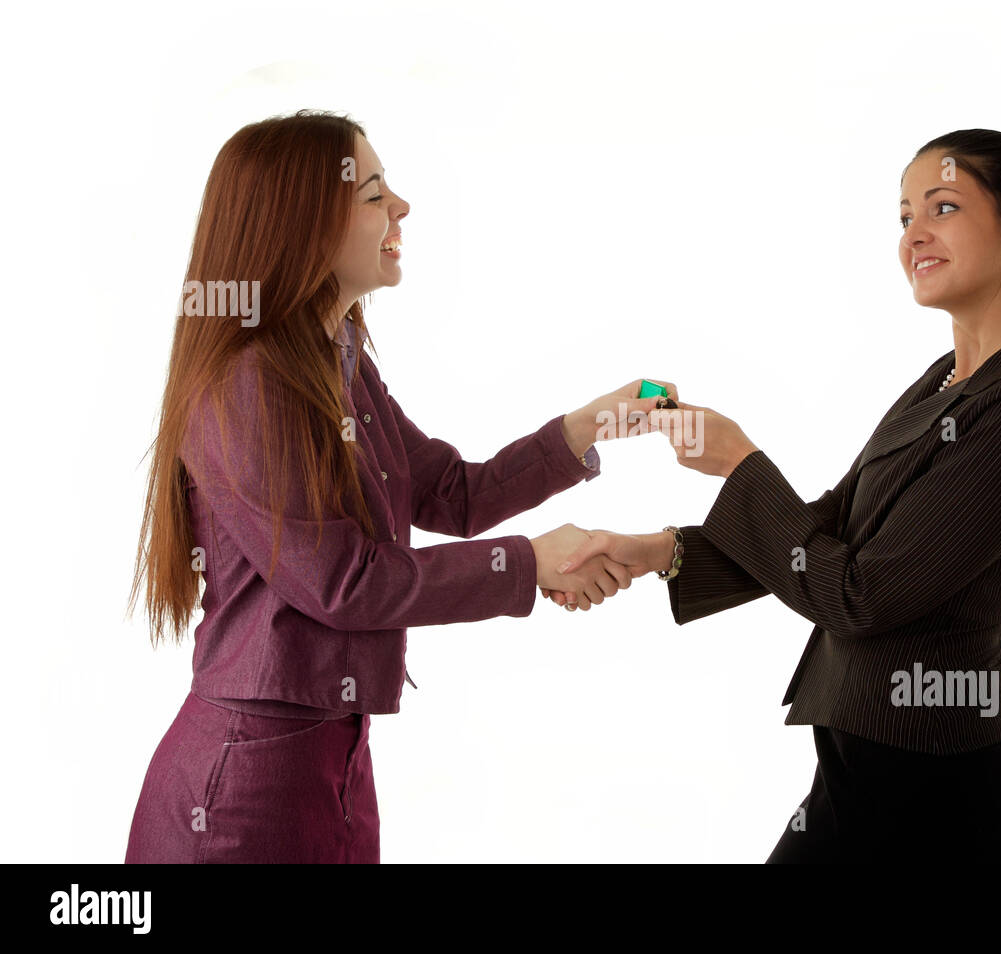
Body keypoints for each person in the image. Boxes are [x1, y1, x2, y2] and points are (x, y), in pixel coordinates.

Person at [124, 110, 662, 863]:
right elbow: (343, 582)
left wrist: (586, 429)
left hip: (333, 764)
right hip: (245, 790)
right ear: (302, 219)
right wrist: (530, 564)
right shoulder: (247, 385)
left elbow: (450, 492)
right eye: (374, 193)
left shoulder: (336, 357)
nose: (400, 208)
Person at [547, 129, 1001, 863]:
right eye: (904, 217)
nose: (913, 235)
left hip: (934, 783)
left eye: (943, 207)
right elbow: (836, 526)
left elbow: (860, 594)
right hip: (874, 763)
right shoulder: (952, 377)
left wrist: (741, 465)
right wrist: (660, 552)